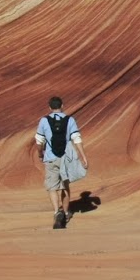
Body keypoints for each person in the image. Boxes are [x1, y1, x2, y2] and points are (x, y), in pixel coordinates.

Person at [34, 96, 88, 229]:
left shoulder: (44, 120)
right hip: (66, 159)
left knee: (52, 187)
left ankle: (56, 212)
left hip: (50, 158)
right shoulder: (70, 120)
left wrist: (40, 154)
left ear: (49, 107)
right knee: (65, 186)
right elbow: (76, 139)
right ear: (62, 106)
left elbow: (39, 141)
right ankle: (66, 212)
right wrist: (83, 156)